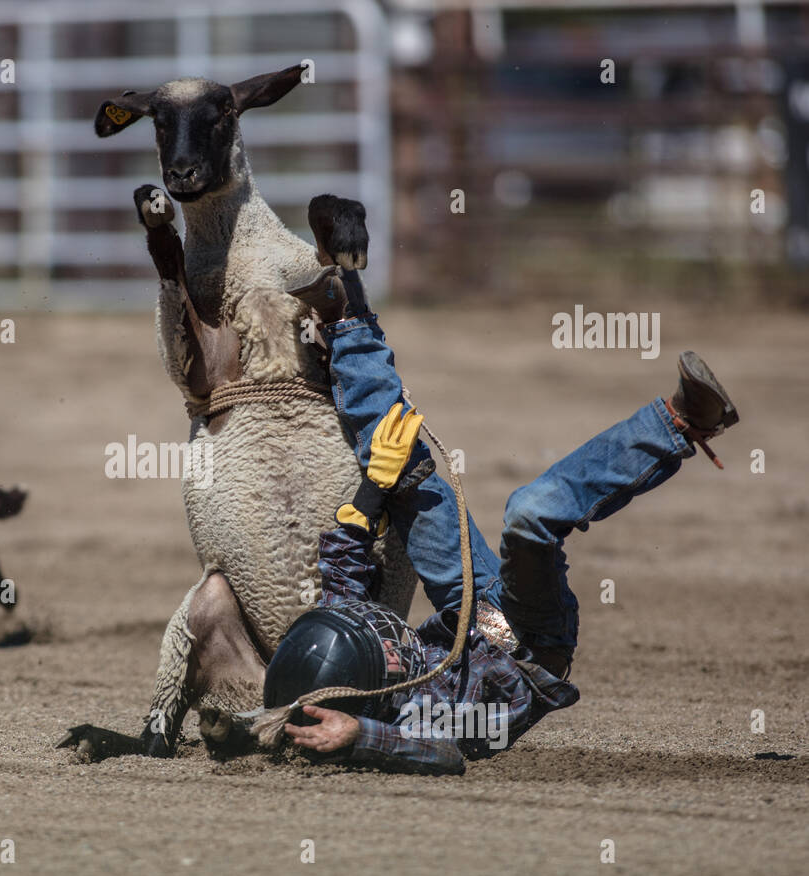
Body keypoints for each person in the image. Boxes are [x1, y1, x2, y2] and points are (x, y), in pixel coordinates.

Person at [270, 264, 739, 774]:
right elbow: (444, 753)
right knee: (529, 516)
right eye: (384, 648)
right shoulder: (414, 714)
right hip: (532, 642)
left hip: (468, 607)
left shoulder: (347, 648)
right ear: (374, 691)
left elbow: (341, 577)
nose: (387, 633)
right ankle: (681, 422)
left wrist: (371, 491)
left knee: (398, 465)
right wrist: (364, 736)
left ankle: (347, 320)